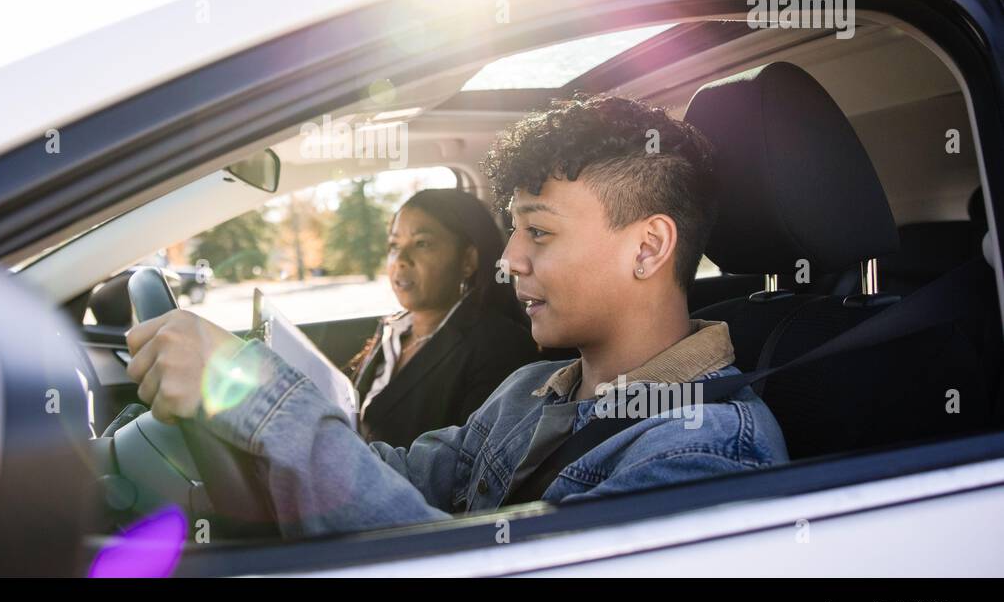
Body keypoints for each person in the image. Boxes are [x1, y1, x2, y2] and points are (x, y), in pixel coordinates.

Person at [124, 96, 789, 538]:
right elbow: (398, 475)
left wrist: (263, 401)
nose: (508, 261)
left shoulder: (707, 451)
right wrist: (238, 410)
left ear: (647, 247)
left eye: (539, 232)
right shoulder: (527, 391)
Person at [347, 188, 543, 449]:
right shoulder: (393, 330)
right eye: (394, 246)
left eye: (422, 243)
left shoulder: (500, 347)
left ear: (467, 260)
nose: (401, 260)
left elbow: (470, 469)